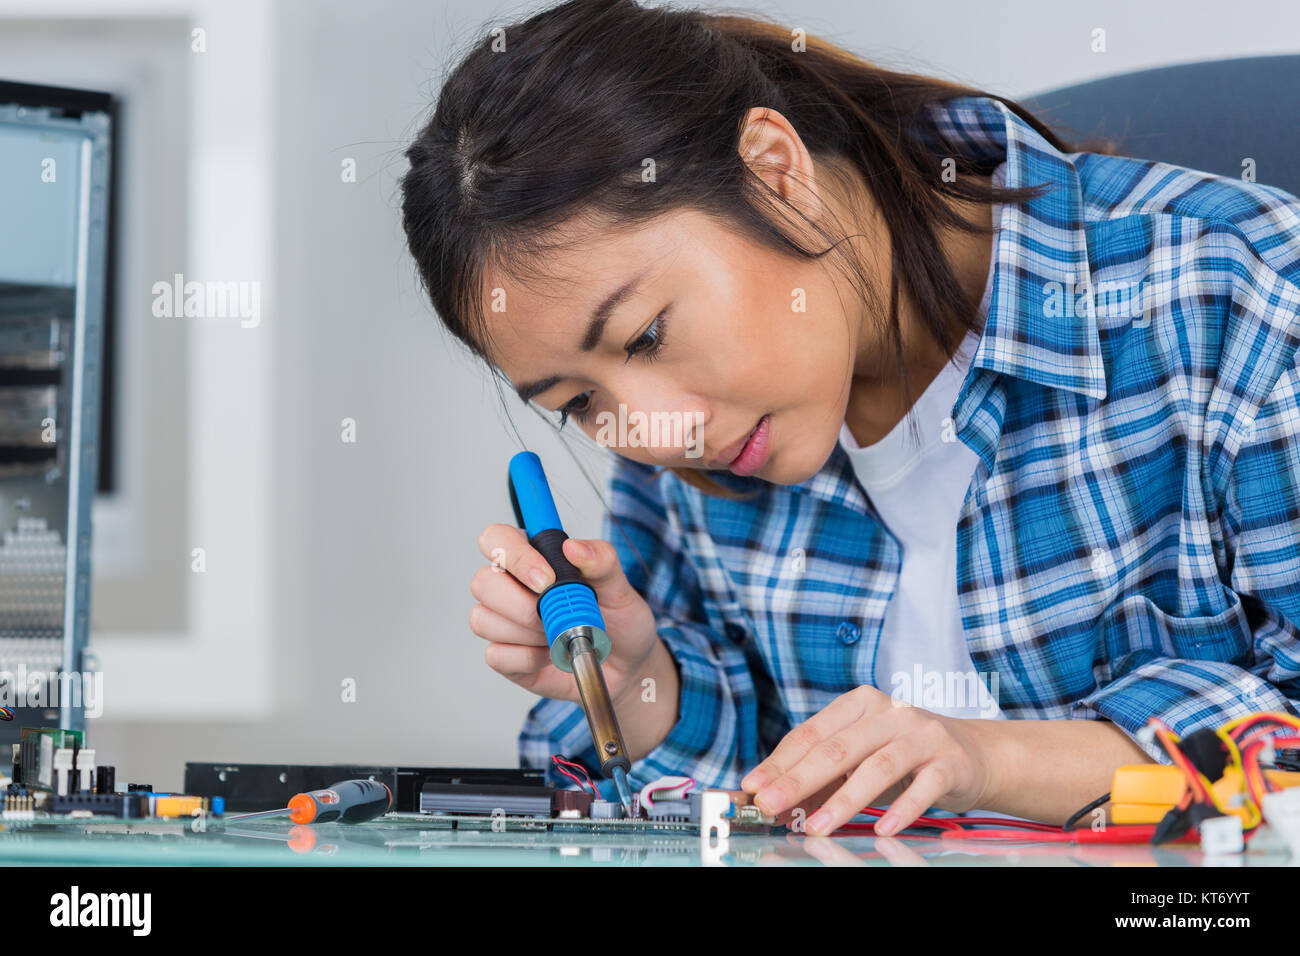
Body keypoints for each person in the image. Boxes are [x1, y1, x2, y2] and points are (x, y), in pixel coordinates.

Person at [399, 0, 1300, 836]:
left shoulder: (1239, 296)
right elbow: (686, 813)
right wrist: (641, 687)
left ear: (776, 172)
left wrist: (987, 759)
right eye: (579, 403)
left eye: (647, 336)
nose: (657, 431)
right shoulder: (673, 449)